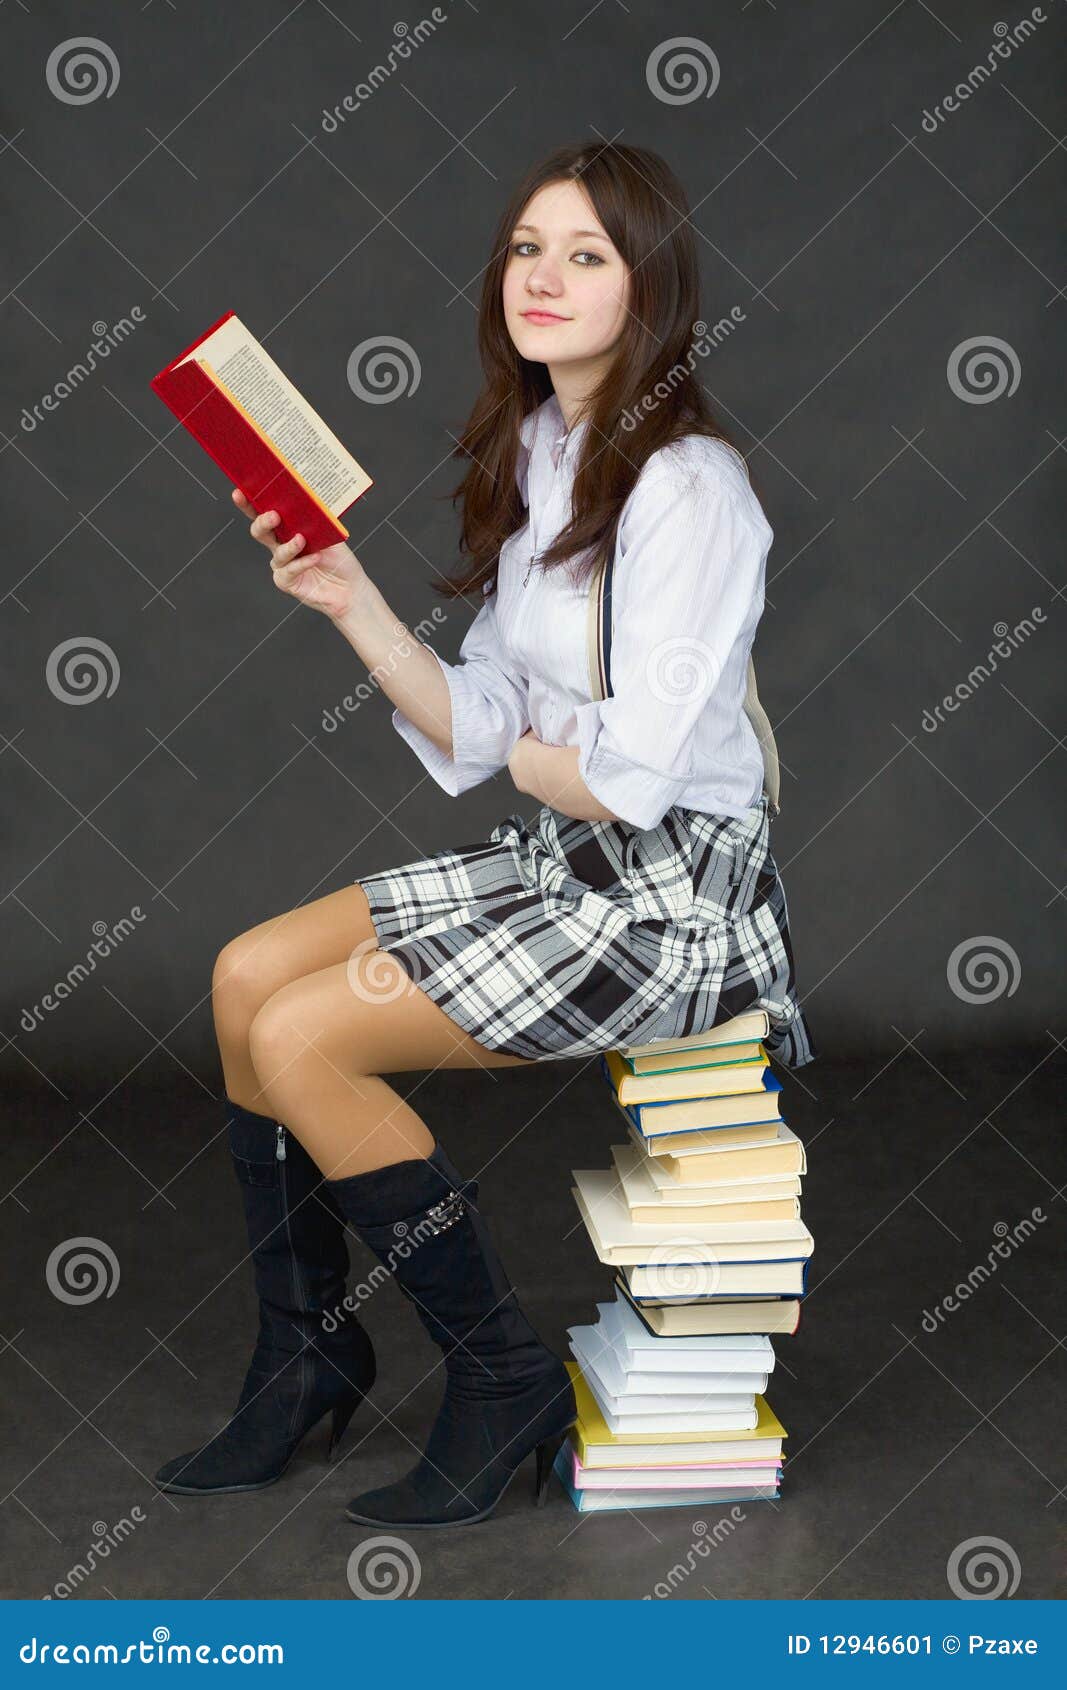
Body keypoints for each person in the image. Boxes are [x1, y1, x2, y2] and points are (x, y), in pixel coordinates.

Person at [153, 140, 818, 1531]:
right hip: (560, 861)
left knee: (301, 1037)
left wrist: (533, 752)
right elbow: (484, 720)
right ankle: (309, 1349)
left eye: (588, 254)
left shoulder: (688, 488)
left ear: (651, 290)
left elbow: (629, 781)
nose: (545, 276)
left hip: (670, 902)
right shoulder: (547, 452)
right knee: (238, 975)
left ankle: (498, 1370)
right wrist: (351, 603)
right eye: (528, 247)